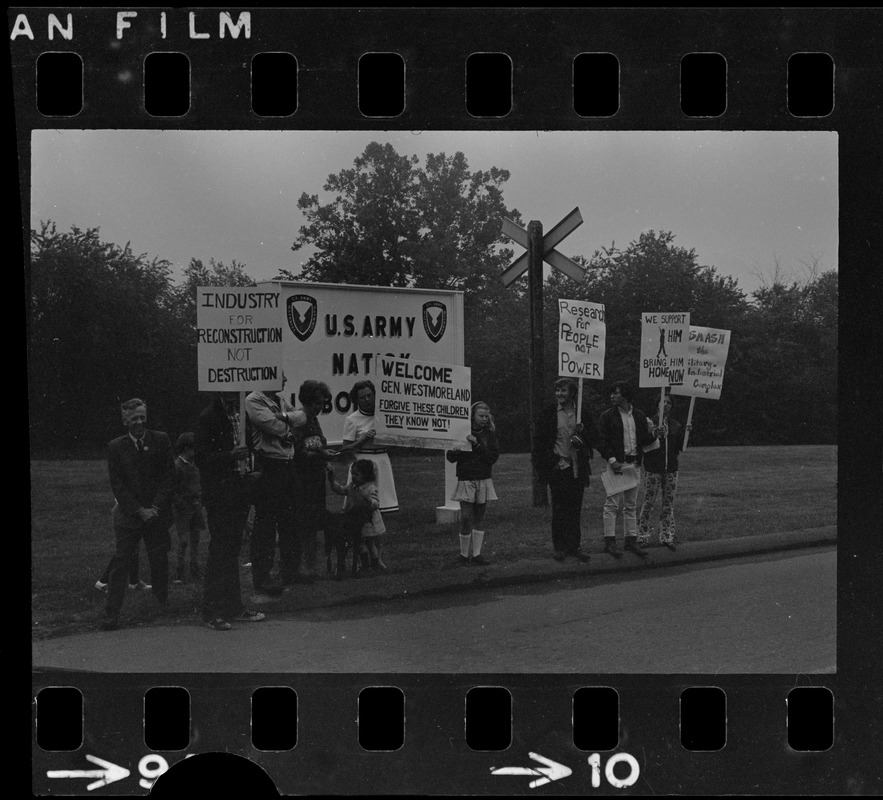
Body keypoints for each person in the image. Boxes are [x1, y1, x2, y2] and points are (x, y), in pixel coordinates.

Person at [101, 398, 175, 631]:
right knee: (122, 562)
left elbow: (169, 477)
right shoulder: (115, 447)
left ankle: (161, 607)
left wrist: (155, 507)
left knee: (159, 560)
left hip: (156, 514)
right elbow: (118, 484)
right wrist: (138, 510)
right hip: (129, 516)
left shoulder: (161, 439)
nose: (139, 422)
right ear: (124, 421)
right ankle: (111, 614)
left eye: (142, 417)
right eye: (134, 419)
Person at [195, 392, 266, 630]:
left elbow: (250, 448)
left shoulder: (241, 414)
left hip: (239, 488)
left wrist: (252, 470)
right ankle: (211, 611)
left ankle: (233, 607)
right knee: (220, 549)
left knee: (232, 549)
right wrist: (229, 456)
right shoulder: (209, 416)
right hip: (219, 493)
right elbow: (201, 458)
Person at [245, 379, 306, 594]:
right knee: (266, 525)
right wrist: (287, 426)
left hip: (287, 465)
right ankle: (263, 577)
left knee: (291, 521)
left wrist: (283, 417)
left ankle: (290, 572)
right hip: (269, 465)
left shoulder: (278, 400)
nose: (286, 379)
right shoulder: (253, 399)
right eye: (281, 375)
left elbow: (302, 417)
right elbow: (269, 424)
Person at [532, 378, 599, 563]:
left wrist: (583, 431)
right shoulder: (548, 413)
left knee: (575, 509)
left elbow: (593, 438)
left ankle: (574, 546)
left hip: (578, 468)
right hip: (559, 467)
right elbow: (540, 442)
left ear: (572, 393)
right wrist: (551, 463)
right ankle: (559, 547)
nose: (559, 394)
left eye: (563, 391)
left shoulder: (581, 414)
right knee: (560, 508)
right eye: (557, 390)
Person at [596, 381, 658, 559]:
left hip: (634, 464)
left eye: (616, 393)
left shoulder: (638, 416)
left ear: (625, 395)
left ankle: (631, 540)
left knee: (631, 505)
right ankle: (610, 541)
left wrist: (655, 434)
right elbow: (602, 441)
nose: (612, 396)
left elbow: (644, 440)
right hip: (617, 464)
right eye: (612, 393)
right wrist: (612, 460)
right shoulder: (607, 416)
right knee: (612, 504)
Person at [290, 380, 336, 578]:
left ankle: (311, 567)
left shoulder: (314, 420)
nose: (320, 407)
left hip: (316, 479)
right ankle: (302, 568)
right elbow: (298, 451)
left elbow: (318, 445)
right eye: (317, 403)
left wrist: (324, 459)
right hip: (302, 480)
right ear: (307, 401)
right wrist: (322, 455)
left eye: (322, 403)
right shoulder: (300, 420)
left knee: (314, 525)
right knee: (304, 525)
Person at [446, 401, 500, 566]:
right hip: (466, 478)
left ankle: (476, 554)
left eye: (486, 416)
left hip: (483, 479)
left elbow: (492, 458)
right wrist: (454, 452)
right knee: (466, 517)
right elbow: (450, 457)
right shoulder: (462, 432)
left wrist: (476, 444)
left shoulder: (489, 434)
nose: (484, 419)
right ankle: (463, 554)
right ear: (472, 416)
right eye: (480, 416)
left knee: (479, 517)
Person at [637, 394, 690, 552]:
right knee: (649, 502)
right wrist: (654, 433)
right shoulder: (649, 422)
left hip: (671, 470)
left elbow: (681, 447)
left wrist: (687, 433)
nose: (666, 405)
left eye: (668, 403)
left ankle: (667, 535)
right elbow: (642, 441)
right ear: (657, 404)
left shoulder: (675, 425)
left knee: (668, 504)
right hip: (653, 469)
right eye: (663, 402)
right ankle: (643, 536)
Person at [339, 380, 399, 513]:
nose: (367, 399)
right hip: (362, 461)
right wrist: (364, 439)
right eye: (362, 397)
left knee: (384, 505)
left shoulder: (384, 415)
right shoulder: (352, 419)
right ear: (357, 400)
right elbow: (345, 450)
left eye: (369, 395)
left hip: (382, 459)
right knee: (361, 505)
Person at [326, 458, 386, 577]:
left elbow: (376, 504)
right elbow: (341, 490)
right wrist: (332, 481)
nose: (353, 477)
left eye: (356, 474)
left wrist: (368, 500)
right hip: (356, 520)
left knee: (370, 543)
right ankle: (366, 565)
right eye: (352, 474)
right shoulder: (352, 486)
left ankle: (374, 563)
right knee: (361, 543)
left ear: (366, 475)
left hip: (368, 521)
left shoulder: (370, 488)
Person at [170, 432, 208, 583]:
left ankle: (195, 570)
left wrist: (200, 500)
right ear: (186, 448)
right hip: (183, 510)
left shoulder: (196, 464)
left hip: (196, 508)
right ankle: (179, 572)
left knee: (195, 540)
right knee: (184, 541)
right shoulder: (177, 466)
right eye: (195, 448)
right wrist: (181, 504)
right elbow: (172, 490)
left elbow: (200, 485)